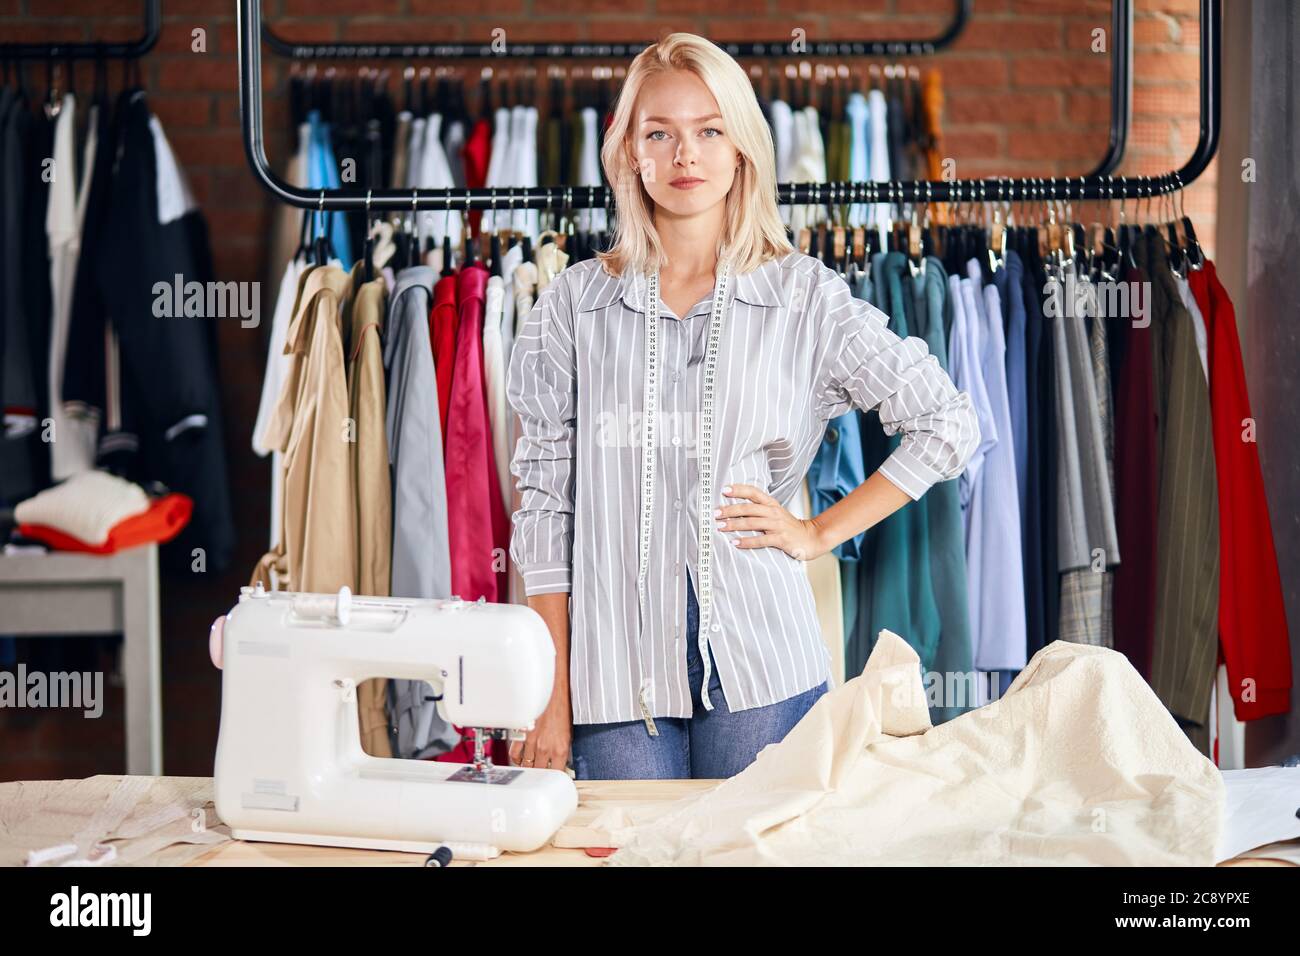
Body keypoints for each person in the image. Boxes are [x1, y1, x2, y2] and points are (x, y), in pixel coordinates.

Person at [505, 32, 980, 781]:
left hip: (763, 666)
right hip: (611, 678)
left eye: (708, 130)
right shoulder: (573, 304)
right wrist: (548, 690)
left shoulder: (804, 297)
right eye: (659, 132)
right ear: (631, 151)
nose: (684, 155)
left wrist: (818, 530)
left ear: (741, 150)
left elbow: (947, 422)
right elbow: (544, 509)